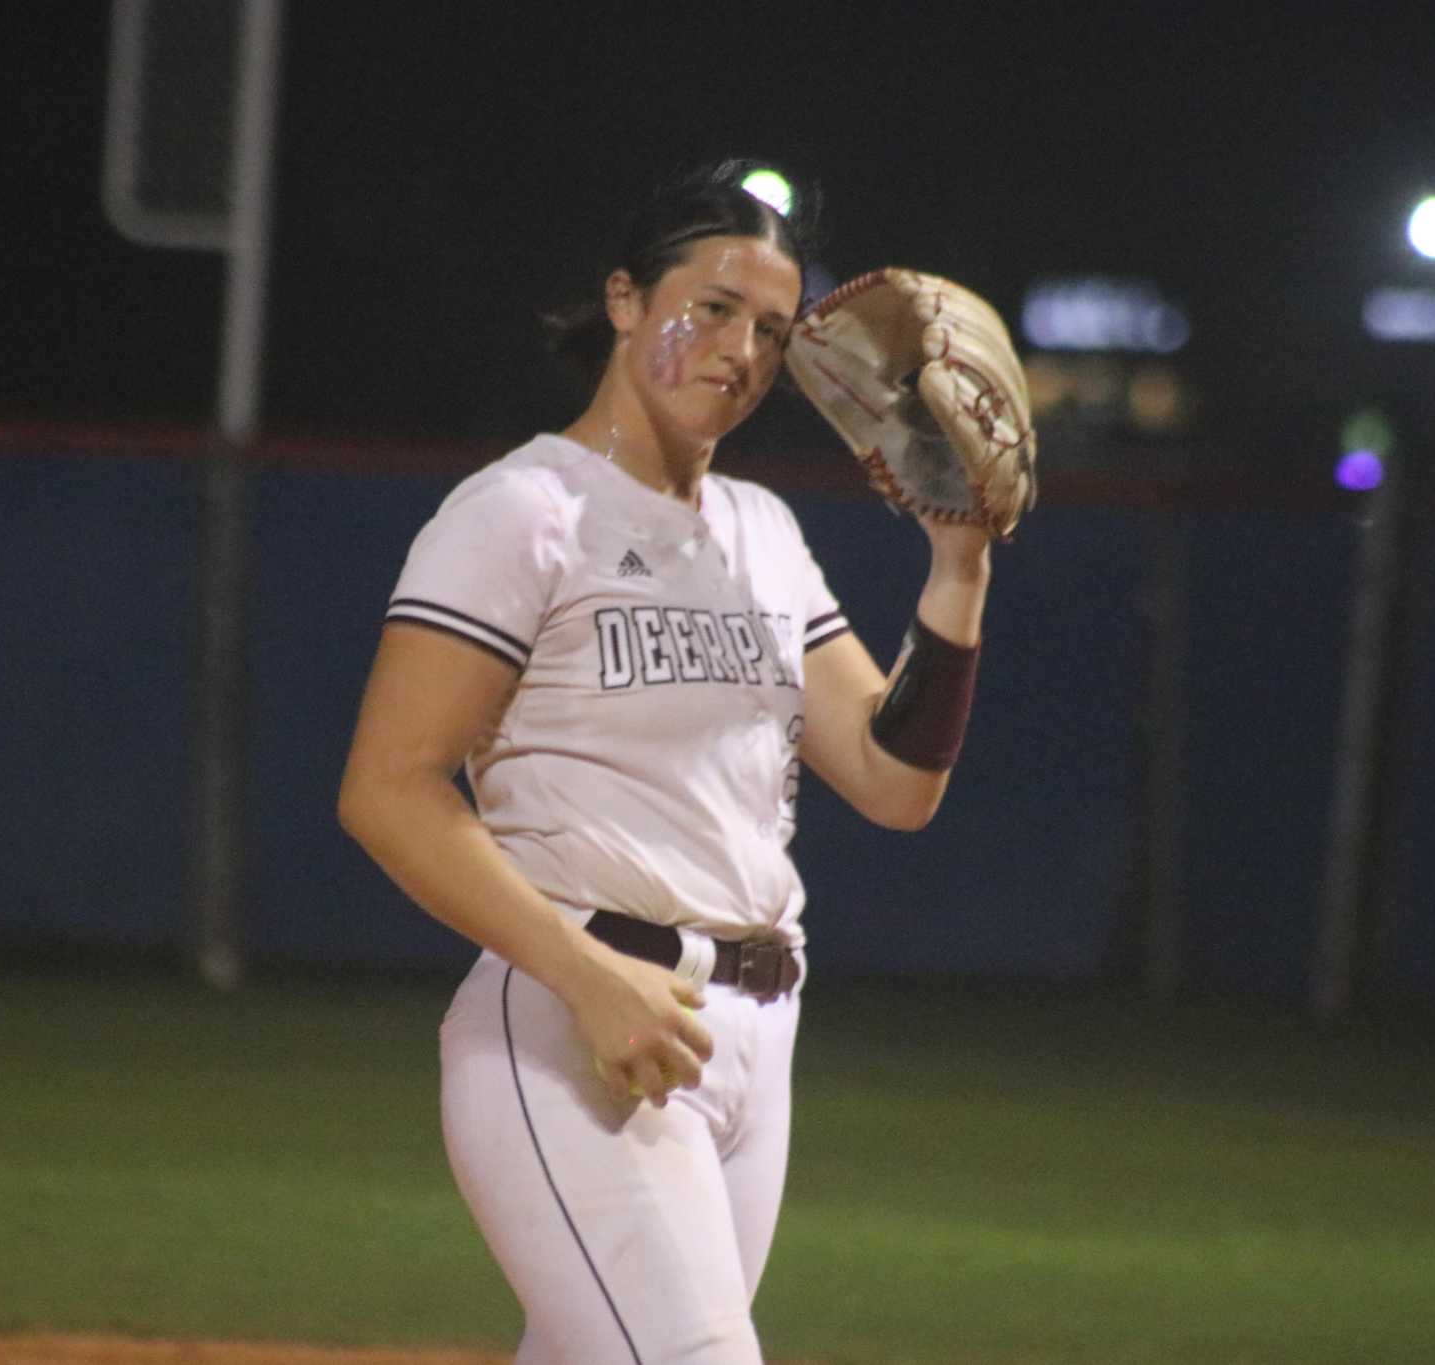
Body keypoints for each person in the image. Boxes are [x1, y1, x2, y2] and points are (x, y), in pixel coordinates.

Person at [337, 163, 994, 1364]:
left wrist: (957, 570)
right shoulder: (523, 509)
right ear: (626, 300)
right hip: (577, 1025)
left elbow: (895, 785)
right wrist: (584, 976)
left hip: (754, 1038)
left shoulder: (761, 532)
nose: (742, 349)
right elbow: (386, 788)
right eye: (712, 306)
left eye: (772, 331)